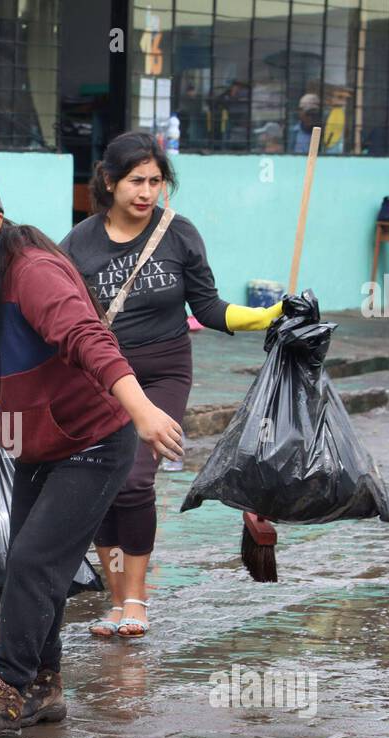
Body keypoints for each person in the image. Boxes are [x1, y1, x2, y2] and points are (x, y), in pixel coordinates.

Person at [0, 168, 185, 738]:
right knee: (26, 559)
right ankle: (44, 685)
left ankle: (5, 693)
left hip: (94, 438)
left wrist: (141, 411)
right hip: (34, 442)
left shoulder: (33, 273)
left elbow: (89, 338)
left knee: (35, 560)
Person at [59, 132, 282, 638]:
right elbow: (65, 319)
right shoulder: (78, 244)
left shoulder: (179, 234)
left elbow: (208, 307)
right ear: (110, 182)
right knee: (100, 483)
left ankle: (137, 598)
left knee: (135, 478)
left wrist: (266, 316)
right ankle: (116, 602)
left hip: (163, 372)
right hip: (101, 379)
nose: (146, 191)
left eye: (156, 181)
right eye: (136, 180)